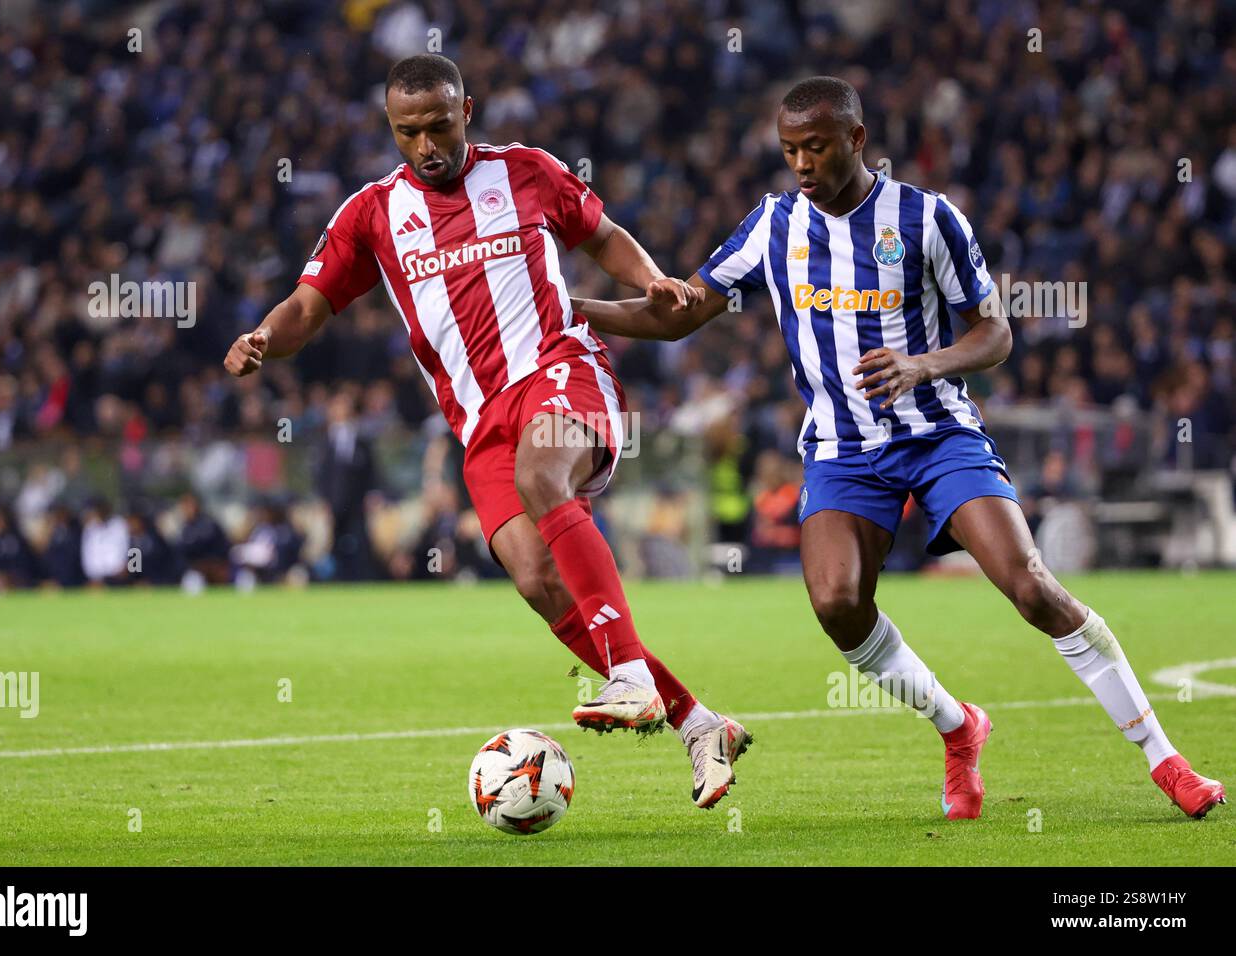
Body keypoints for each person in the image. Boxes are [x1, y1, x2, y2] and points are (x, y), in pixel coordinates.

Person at [572, 76, 1224, 821]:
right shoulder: (773, 224)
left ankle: (1165, 759)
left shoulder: (925, 218)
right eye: (789, 151)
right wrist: (573, 310)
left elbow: (996, 331)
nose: (802, 165)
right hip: (842, 450)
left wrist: (925, 363)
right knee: (839, 603)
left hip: (939, 435)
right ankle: (958, 726)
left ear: (856, 139)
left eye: (816, 147)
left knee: (1031, 585)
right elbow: (679, 315)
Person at [223, 54, 750, 807]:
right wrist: (265, 338)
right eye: (409, 132)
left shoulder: (527, 171)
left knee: (545, 478)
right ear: (392, 130)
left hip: (561, 367)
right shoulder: (371, 213)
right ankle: (700, 725)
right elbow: (308, 305)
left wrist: (649, 278)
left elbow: (602, 235)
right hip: (479, 423)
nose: (427, 143)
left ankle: (628, 678)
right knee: (539, 582)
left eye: (439, 124)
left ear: (468, 110)